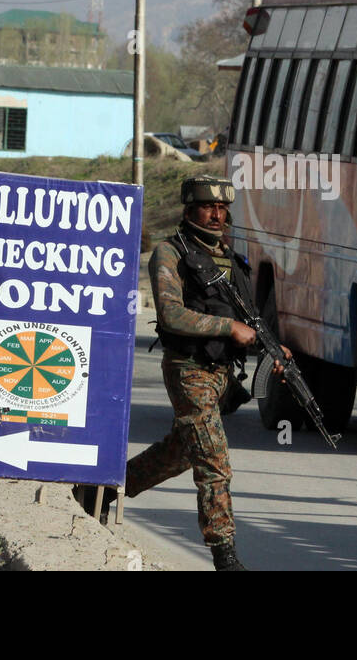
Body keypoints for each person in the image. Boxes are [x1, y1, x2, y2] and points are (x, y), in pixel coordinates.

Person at [75, 175, 280, 571]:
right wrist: (228, 329)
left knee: (183, 451)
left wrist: (270, 346)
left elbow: (242, 318)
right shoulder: (171, 253)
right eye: (208, 207)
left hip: (222, 373)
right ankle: (225, 554)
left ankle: (98, 492)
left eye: (222, 209)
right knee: (214, 460)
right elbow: (171, 314)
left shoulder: (228, 256)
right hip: (189, 369)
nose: (217, 215)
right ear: (189, 210)